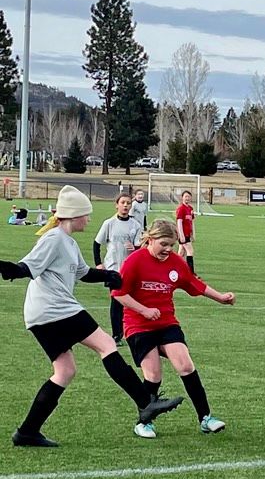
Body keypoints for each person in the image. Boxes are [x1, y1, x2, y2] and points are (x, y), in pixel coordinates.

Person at [0, 185, 182, 447]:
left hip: (43, 313)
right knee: (106, 344)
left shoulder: (68, 242)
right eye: (86, 214)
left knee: (64, 371)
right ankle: (146, 403)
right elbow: (25, 268)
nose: (89, 219)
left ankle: (27, 431)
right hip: (54, 309)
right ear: (74, 215)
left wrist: (108, 275)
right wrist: (5, 268)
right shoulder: (53, 239)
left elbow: (83, 273)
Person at [113, 218, 235, 439]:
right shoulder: (135, 261)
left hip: (167, 323)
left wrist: (221, 298)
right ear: (150, 239)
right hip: (138, 325)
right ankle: (144, 422)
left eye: (172, 244)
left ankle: (205, 418)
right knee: (154, 373)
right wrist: (144, 310)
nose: (168, 249)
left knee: (185, 365)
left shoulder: (176, 262)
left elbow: (194, 284)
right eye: (164, 244)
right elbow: (119, 294)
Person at [93, 194, 143, 344]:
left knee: (130, 302)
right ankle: (116, 335)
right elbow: (97, 244)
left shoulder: (135, 225)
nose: (126, 206)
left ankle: (131, 331)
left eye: (128, 203)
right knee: (116, 302)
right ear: (117, 205)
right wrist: (99, 264)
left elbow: (139, 249)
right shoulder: (109, 223)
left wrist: (134, 248)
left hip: (129, 269)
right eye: (123, 203)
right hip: (113, 270)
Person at [175, 189, 196, 271]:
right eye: (185, 196)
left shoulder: (190, 208)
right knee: (190, 251)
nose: (187, 198)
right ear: (182, 198)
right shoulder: (181, 209)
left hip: (188, 234)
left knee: (181, 253)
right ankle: (191, 272)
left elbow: (192, 222)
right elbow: (179, 222)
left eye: (189, 197)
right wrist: (181, 235)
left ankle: (175, 269)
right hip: (183, 234)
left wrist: (193, 234)